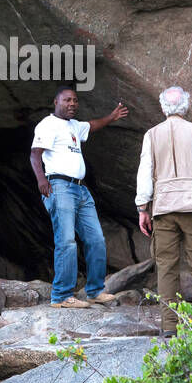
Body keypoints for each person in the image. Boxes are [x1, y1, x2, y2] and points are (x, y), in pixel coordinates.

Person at [29, 86, 129, 308]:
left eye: (75, 100)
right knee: (66, 241)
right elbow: (35, 154)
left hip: (81, 189)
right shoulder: (48, 124)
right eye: (67, 100)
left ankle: (94, 291)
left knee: (96, 240)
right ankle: (61, 296)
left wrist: (112, 117)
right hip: (59, 186)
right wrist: (41, 180)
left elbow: (92, 126)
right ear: (56, 102)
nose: (72, 104)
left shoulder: (74, 126)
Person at [134, 86, 192, 335]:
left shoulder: (151, 135)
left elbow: (144, 176)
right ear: (185, 106)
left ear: (163, 108)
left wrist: (143, 208)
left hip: (163, 208)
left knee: (167, 266)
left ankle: (170, 326)